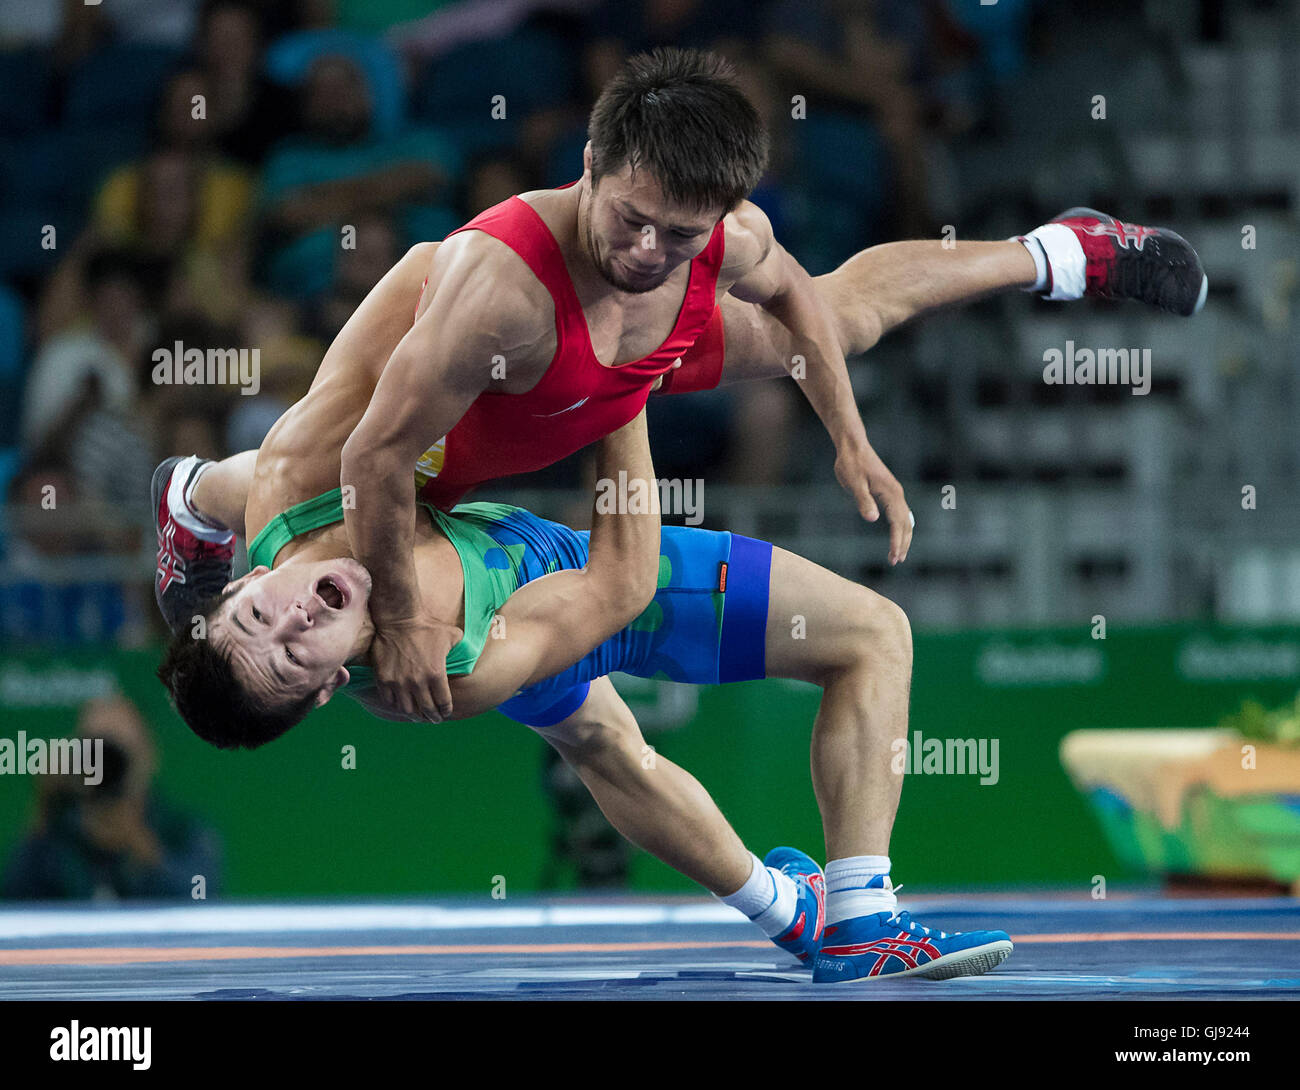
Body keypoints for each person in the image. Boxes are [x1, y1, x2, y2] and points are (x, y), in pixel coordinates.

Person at [155, 47, 1207, 724]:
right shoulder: (499, 292)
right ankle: (194, 493)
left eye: (681, 235)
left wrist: (848, 436)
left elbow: (799, 298)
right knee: (303, 478)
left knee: (842, 319)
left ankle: (1060, 253)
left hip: (585, 373)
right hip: (468, 396)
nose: (649, 251)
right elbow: (372, 458)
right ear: (591, 166)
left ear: (723, 216)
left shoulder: (721, 236)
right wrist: (410, 622)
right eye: (631, 219)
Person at [157, 405, 1012, 984]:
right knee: (872, 636)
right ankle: (860, 919)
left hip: (517, 598)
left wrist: (191, 495)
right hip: (602, 600)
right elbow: (616, 583)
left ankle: (789, 912)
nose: (296, 616)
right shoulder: (459, 668)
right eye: (293, 655)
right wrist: (621, 393)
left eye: (262, 612)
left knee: (607, 748)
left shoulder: (281, 510)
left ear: (248, 578)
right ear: (327, 690)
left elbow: (386, 329)